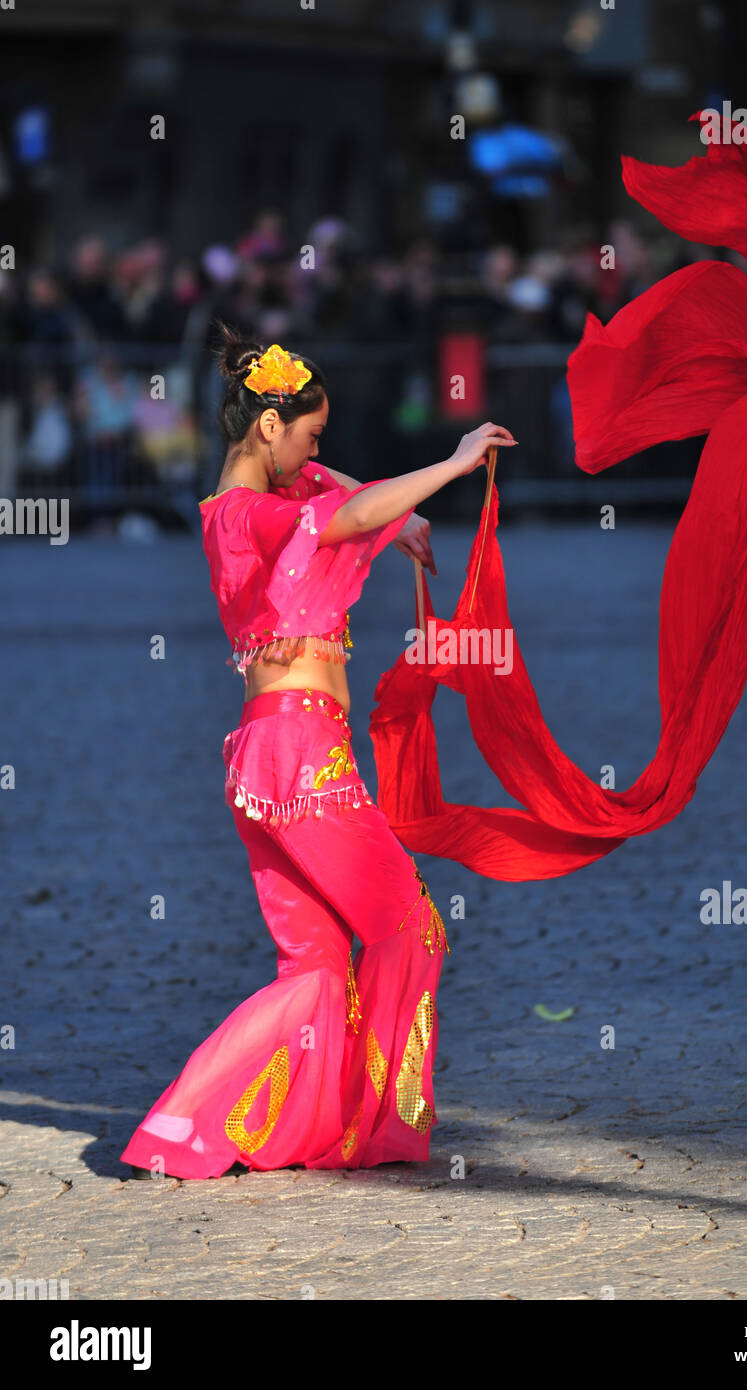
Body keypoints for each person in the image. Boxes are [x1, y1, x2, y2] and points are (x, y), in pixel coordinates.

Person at [120, 325, 516, 1177]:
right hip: (304, 759)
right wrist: (448, 466)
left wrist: (396, 513)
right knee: (411, 925)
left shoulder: (235, 514)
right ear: (268, 427)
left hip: (266, 754)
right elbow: (341, 507)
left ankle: (193, 1128)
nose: (315, 451)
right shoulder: (262, 516)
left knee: (316, 964)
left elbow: (331, 493)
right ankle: (371, 1123)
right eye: (307, 432)